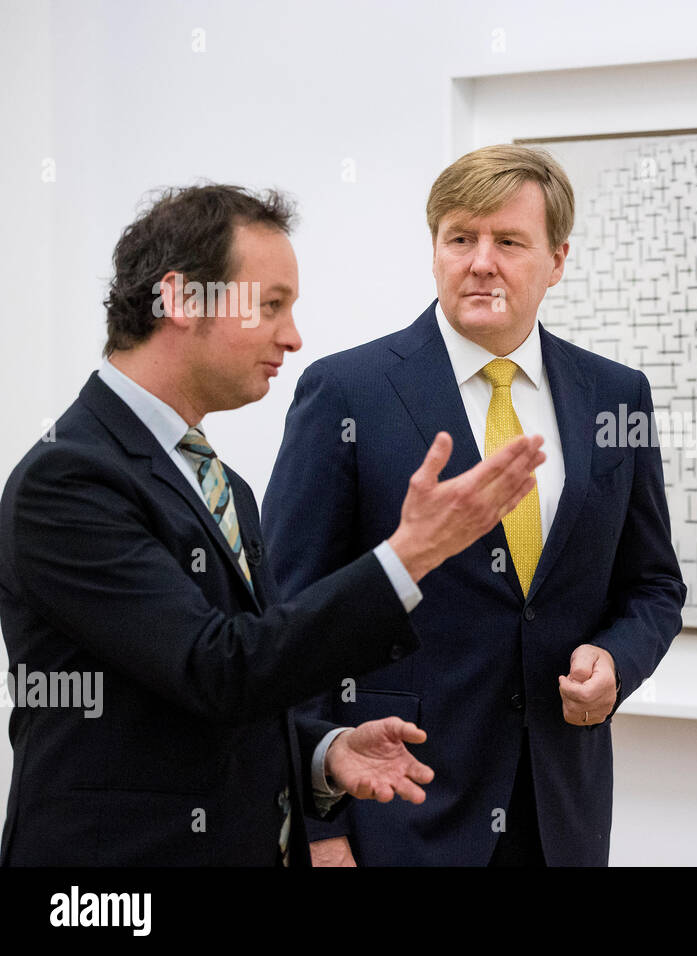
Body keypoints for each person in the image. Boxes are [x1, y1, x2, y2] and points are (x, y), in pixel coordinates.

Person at [0, 184, 545, 865]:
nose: (292, 336)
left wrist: (324, 753)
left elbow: (246, 677)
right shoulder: (68, 481)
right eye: (271, 305)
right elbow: (216, 667)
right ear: (179, 298)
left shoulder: (225, 486)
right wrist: (409, 555)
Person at [262, 145, 686, 866]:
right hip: (399, 811)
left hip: (558, 812)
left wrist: (617, 661)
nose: (481, 261)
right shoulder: (346, 393)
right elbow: (288, 621)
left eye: (509, 241)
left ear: (557, 261)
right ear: (435, 252)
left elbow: (653, 585)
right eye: (460, 238)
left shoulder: (616, 396)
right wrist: (321, 829)